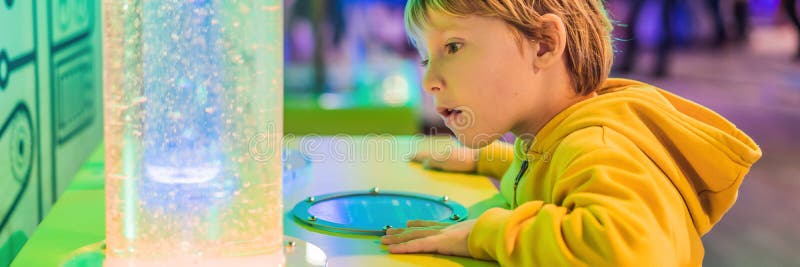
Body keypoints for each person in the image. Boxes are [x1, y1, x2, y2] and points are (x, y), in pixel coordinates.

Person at [380, 0, 762, 266]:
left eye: (453, 46)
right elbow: (551, 168)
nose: (429, 80)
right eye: (426, 57)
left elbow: (626, 253)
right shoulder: (557, 137)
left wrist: (482, 234)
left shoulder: (597, 145)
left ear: (544, 44)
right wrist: (486, 158)